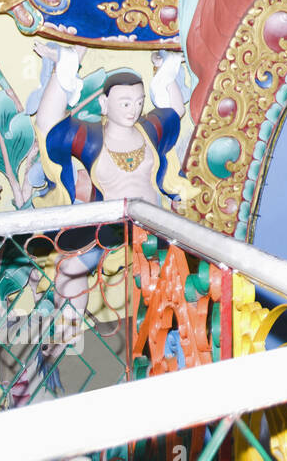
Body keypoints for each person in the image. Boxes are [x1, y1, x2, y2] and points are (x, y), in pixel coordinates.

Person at [33, 43, 186, 324]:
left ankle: (172, 322)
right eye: (125, 103)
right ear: (105, 104)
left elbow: (174, 111)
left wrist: (165, 71)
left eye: (139, 102)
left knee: (176, 273)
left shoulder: (148, 129)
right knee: (69, 269)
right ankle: (68, 325)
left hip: (153, 223)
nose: (134, 109)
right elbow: (49, 125)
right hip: (109, 226)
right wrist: (65, 68)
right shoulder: (92, 137)